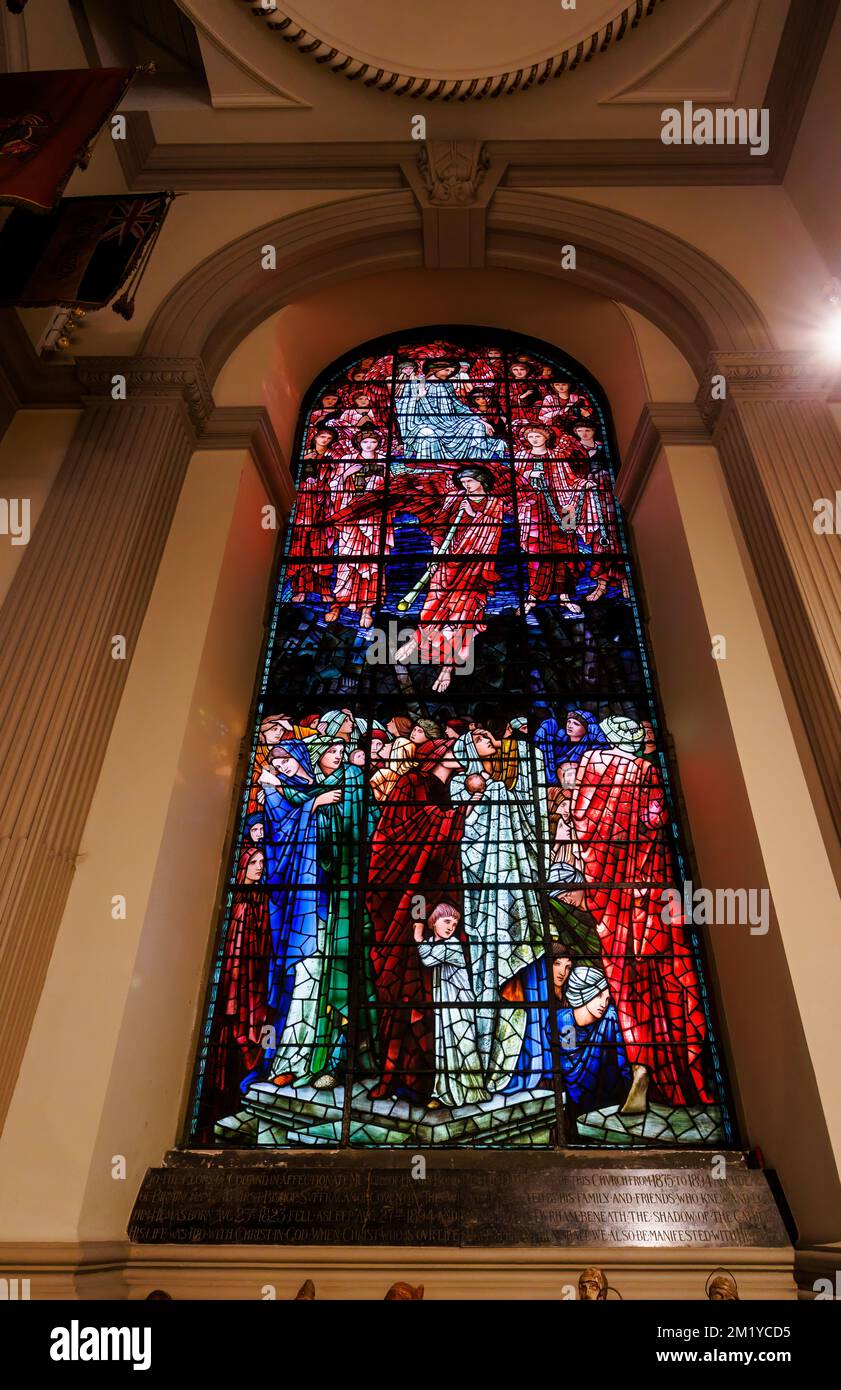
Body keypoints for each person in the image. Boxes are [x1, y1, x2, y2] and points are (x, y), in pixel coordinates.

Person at [571, 715, 713, 1113]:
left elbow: (582, 821)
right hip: (649, 894)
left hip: (609, 897)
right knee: (662, 973)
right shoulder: (646, 771)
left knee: (623, 978)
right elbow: (655, 821)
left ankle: (639, 1063)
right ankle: (673, 1066)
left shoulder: (589, 765)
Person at [262, 736, 367, 1090]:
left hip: (334, 902)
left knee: (334, 977)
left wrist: (332, 791)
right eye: (277, 763)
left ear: (300, 757)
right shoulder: (284, 795)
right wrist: (312, 806)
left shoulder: (334, 788)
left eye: (286, 760)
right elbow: (282, 838)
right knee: (305, 982)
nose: (282, 767)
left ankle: (336, 1058)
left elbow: (353, 834)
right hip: (308, 909)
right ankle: (292, 1059)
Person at [449, 727, 546, 1088]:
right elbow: (464, 838)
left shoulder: (502, 783)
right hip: (480, 893)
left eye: (490, 737)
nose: (490, 740)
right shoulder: (464, 784)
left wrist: (523, 741)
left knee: (512, 975)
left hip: (509, 891)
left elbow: (530, 806)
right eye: (482, 738)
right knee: (488, 967)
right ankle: (480, 1058)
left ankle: (511, 1063)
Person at [415, 902, 489, 1108]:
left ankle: (472, 1092)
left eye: (455, 924)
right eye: (447, 921)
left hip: (460, 1004)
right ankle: (444, 1092)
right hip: (445, 1004)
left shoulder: (453, 944)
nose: (451, 927)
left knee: (463, 1045)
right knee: (444, 1046)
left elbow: (428, 960)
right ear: (433, 922)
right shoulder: (435, 943)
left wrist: (417, 937)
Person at [395, 357, 508, 460]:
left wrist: (480, 421)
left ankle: (474, 461)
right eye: (447, 370)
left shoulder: (447, 384)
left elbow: (457, 405)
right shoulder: (417, 382)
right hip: (423, 423)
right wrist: (418, 397)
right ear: (435, 369)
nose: (449, 373)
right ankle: (432, 466)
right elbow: (402, 406)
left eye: (451, 371)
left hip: (450, 422)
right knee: (427, 433)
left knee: (477, 426)